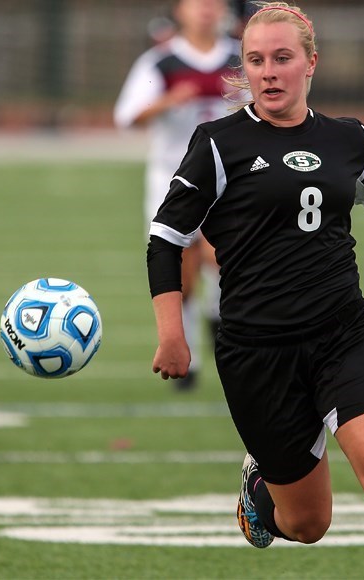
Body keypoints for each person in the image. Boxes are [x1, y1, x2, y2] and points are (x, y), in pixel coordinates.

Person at [147, 2, 364, 577]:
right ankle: (261, 491)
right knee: (308, 525)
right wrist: (174, 336)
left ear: (310, 64)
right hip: (258, 354)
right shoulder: (218, 144)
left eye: (282, 58)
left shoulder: (349, 138)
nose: (269, 72)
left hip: (345, 335)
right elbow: (165, 240)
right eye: (256, 60)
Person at [114, 0, 239, 391]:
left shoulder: (241, 57)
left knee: (223, 259)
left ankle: (220, 324)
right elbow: (127, 116)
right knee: (182, 268)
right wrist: (168, 100)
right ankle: (189, 360)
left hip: (228, 178)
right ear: (180, 10)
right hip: (173, 180)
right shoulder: (160, 61)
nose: (206, 8)